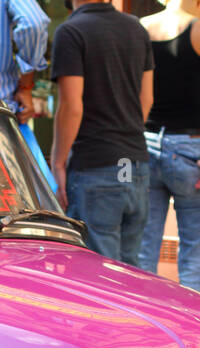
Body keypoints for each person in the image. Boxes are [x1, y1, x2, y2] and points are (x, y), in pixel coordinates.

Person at [136, 0, 200, 295]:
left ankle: (142, 332)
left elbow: (138, 94)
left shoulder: (142, 28)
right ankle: (193, 337)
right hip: (191, 150)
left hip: (146, 144)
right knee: (192, 263)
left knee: (142, 258)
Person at [49, 0, 155, 265]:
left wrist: (58, 162)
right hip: (134, 164)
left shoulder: (71, 32)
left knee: (99, 274)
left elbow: (72, 107)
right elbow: (147, 99)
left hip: (96, 166)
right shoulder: (136, 28)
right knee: (130, 270)